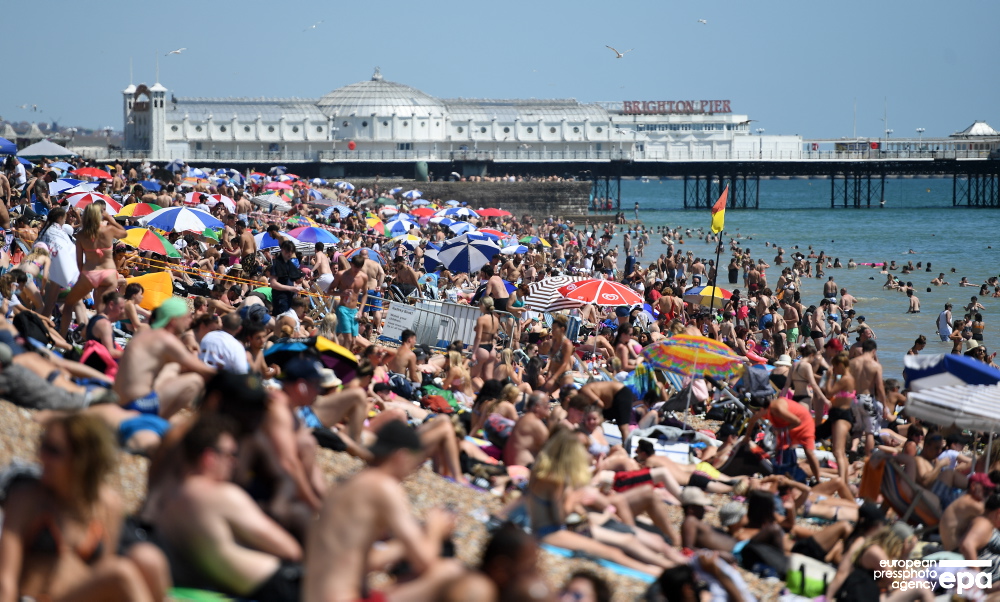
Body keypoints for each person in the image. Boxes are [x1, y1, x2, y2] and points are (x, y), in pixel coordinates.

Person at [0, 414, 161, 602]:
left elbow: (99, 576)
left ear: (82, 459)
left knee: (149, 559)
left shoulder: (108, 506)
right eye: (43, 445)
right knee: (121, 572)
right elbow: (6, 580)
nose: (41, 456)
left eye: (53, 450)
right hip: (33, 598)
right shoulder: (27, 500)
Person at [304, 420, 465, 602]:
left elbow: (363, 561)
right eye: (416, 463)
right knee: (449, 571)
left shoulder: (347, 483)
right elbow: (424, 561)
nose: (413, 471)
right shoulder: (383, 486)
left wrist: (404, 545)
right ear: (401, 456)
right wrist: (435, 529)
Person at [153, 414, 304, 600]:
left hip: (217, 586)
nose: (235, 462)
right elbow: (290, 549)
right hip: (276, 585)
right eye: (230, 454)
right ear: (209, 457)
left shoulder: (166, 500)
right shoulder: (220, 494)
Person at [114, 297, 217, 419]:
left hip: (121, 400)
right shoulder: (165, 339)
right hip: (137, 404)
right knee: (195, 380)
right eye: (187, 317)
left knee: (173, 367)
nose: (190, 322)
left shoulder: (147, 332)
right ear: (173, 320)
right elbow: (201, 369)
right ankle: (160, 421)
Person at [60, 203, 128, 337]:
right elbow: (124, 233)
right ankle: (102, 337)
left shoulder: (81, 235)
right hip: (108, 274)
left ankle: (62, 336)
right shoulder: (108, 230)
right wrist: (110, 219)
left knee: (69, 303)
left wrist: (82, 278)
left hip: (90, 274)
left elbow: (79, 262)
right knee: (102, 310)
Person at [941, 472, 995, 551]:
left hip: (952, 547)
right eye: (986, 489)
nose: (989, 493)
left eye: (990, 489)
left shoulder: (964, 499)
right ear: (973, 486)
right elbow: (993, 522)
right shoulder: (974, 505)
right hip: (958, 551)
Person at [330, 253, 369, 349]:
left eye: (359, 268)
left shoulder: (363, 277)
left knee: (353, 341)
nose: (356, 270)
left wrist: (360, 310)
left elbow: (365, 294)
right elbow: (329, 291)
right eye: (355, 267)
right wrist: (341, 293)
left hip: (354, 310)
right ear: (351, 264)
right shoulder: (341, 275)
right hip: (343, 309)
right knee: (349, 339)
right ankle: (345, 362)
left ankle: (328, 351)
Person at [268, 240, 304, 317]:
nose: (290, 253)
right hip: (280, 299)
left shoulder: (289, 264)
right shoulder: (277, 264)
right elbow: (273, 284)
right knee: (282, 322)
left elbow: (294, 277)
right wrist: (291, 288)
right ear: (282, 250)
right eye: (287, 251)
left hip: (289, 298)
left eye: (291, 251)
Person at [472, 296, 501, 383]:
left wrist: (473, 352)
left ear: (483, 305)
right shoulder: (496, 319)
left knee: (475, 377)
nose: (479, 306)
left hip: (482, 348)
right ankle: (491, 394)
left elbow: (478, 337)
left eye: (479, 304)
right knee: (488, 378)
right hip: (492, 349)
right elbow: (495, 334)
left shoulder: (481, 319)